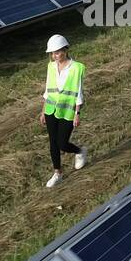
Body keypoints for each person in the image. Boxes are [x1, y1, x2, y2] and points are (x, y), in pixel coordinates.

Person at [40, 34, 86, 188]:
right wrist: (43, 111)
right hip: (50, 109)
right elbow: (48, 89)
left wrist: (77, 114)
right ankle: (57, 172)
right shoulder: (50, 66)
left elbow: (78, 93)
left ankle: (80, 151)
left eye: (58, 52)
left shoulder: (77, 68)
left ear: (65, 50)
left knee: (62, 143)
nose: (55, 56)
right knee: (52, 143)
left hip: (67, 111)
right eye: (52, 53)